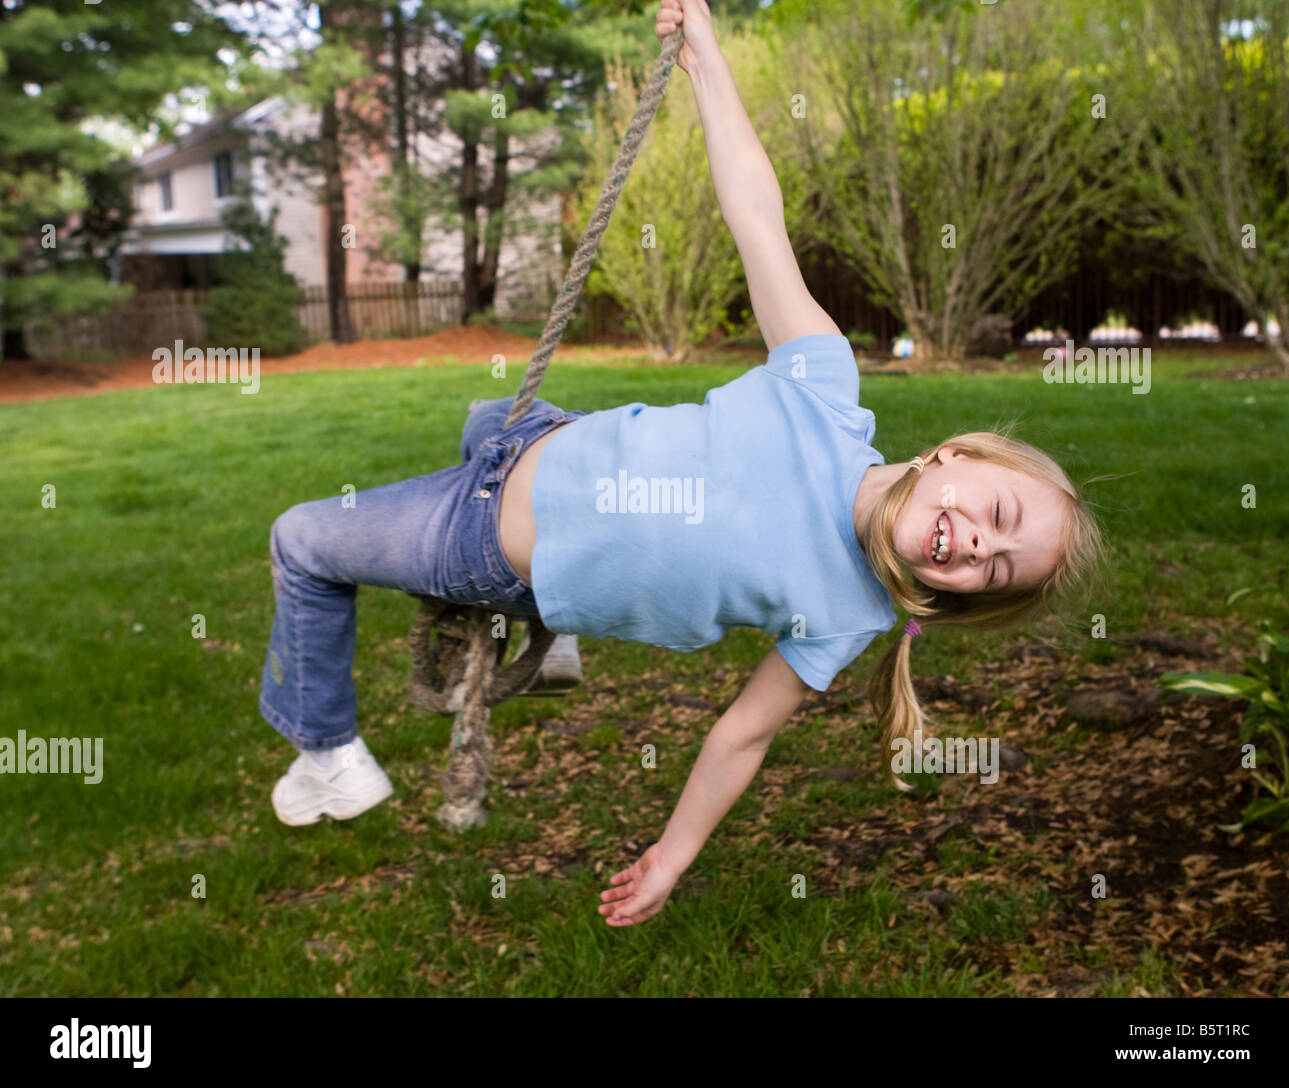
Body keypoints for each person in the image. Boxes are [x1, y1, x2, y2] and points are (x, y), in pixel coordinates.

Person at [259, 0, 1103, 928]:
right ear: (955, 456)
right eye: (996, 515)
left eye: (992, 571)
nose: (976, 545)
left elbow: (741, 736)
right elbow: (756, 215)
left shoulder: (846, 613)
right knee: (485, 422)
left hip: (486, 540)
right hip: (542, 436)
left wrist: (673, 853)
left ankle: (329, 749)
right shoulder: (824, 389)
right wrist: (708, 63)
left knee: (302, 540)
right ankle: (550, 632)